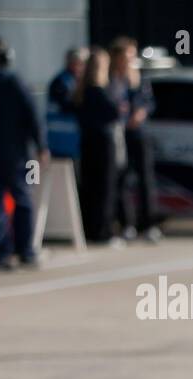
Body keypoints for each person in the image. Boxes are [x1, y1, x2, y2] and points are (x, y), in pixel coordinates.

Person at [0, 37, 47, 270]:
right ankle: (26, 250)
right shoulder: (14, 81)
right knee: (23, 198)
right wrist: (42, 145)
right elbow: (33, 114)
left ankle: (0, 254)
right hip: (17, 154)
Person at [107, 37, 160, 241]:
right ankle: (127, 223)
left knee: (145, 178)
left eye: (132, 55)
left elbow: (149, 103)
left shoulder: (139, 78)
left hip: (139, 134)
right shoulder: (111, 78)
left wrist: (141, 113)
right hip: (119, 135)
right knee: (121, 179)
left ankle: (149, 225)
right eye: (127, 55)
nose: (130, 59)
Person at [74, 47, 121, 244]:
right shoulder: (100, 92)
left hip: (86, 142)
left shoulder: (81, 91)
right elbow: (115, 113)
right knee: (105, 187)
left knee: (89, 186)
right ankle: (103, 230)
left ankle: (91, 228)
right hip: (102, 143)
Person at [47, 46, 87, 114]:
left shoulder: (79, 79)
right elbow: (63, 105)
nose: (82, 67)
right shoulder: (60, 82)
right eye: (79, 63)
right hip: (62, 120)